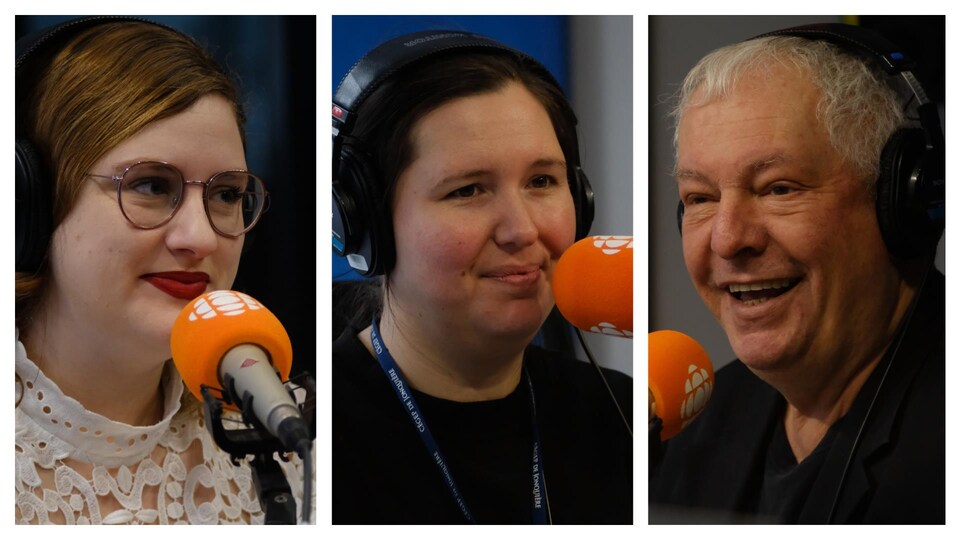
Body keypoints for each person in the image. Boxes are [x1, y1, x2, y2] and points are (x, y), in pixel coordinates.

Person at [15, 17, 309, 524]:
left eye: (225, 194)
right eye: (151, 186)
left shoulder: (290, 431)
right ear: (28, 204)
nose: (200, 238)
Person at [331, 31, 633, 524]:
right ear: (365, 225)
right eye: (468, 190)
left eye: (542, 181)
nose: (522, 229)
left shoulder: (621, 416)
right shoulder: (299, 436)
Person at [649, 23, 944, 524]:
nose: (726, 239)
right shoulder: (696, 427)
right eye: (700, 199)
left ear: (902, 202)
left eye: (778, 189)